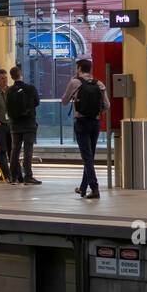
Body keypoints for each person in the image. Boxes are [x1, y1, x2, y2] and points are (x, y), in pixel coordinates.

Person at [62, 58, 108, 199]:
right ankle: (83, 188)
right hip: (95, 122)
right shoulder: (99, 83)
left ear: (79, 68)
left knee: (86, 156)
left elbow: (64, 101)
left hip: (81, 122)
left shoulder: (75, 82)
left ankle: (94, 188)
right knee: (90, 156)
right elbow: (107, 105)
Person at [7, 65, 41, 185]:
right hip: (29, 124)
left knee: (15, 150)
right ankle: (28, 176)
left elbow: (8, 107)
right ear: (20, 74)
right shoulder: (30, 88)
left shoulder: (9, 90)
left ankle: (13, 176)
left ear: (11, 77)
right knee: (28, 150)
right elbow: (37, 102)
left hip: (15, 125)